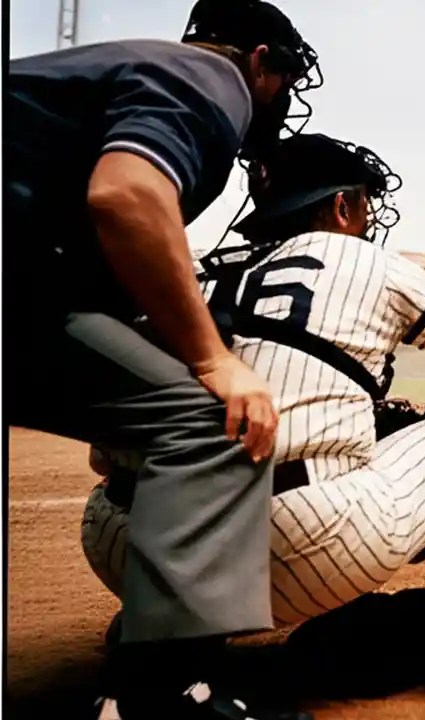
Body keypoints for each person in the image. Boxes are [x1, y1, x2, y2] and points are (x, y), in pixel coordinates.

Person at [80, 132, 425, 698]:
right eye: (362, 202)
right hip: (299, 547)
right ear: (340, 206)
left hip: (128, 552)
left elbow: (99, 454)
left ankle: (168, 637)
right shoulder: (359, 257)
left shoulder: (189, 271)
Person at [3, 1, 322, 717]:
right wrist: (214, 360)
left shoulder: (121, 68)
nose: (280, 98)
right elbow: (125, 197)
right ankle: (158, 697)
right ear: (262, 61)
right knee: (215, 423)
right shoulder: (209, 77)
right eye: (285, 77)